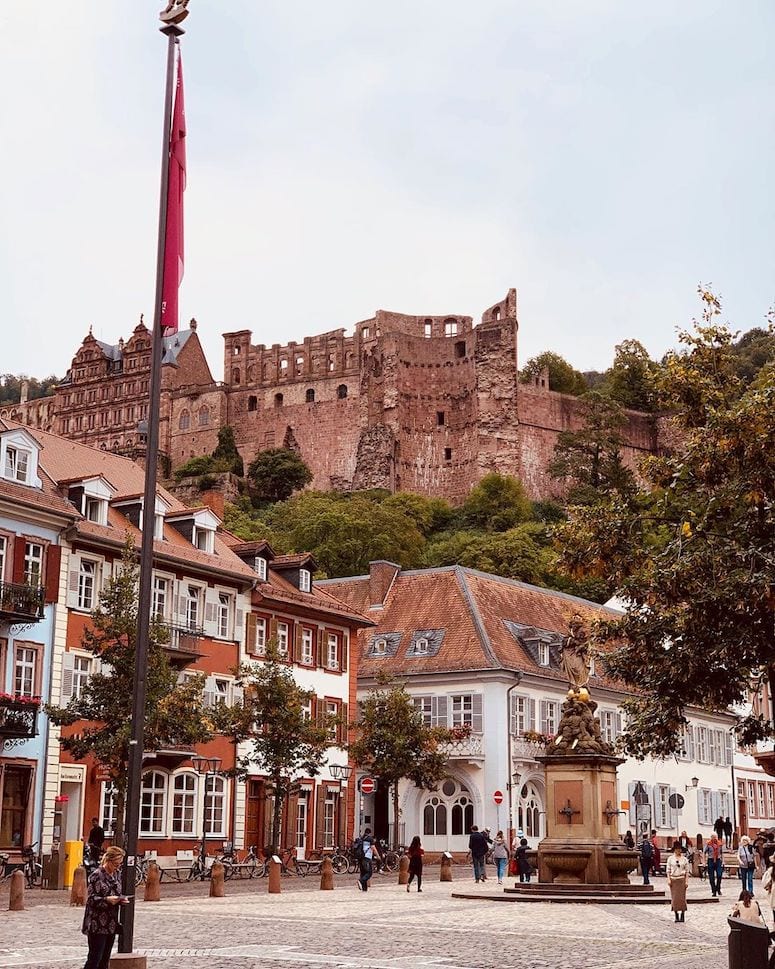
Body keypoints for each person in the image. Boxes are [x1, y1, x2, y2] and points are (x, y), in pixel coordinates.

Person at [81, 845, 128, 969]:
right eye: (116, 864)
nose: (117, 867)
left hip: (111, 923)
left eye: (119, 865)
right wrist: (106, 900)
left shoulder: (117, 874)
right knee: (94, 959)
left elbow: (117, 891)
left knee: (105, 960)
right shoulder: (97, 875)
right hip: (97, 924)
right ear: (108, 860)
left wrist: (120, 900)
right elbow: (91, 899)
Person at [666, 841, 689, 922]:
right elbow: (668, 871)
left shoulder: (684, 859)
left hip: (681, 879)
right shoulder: (670, 859)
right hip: (674, 879)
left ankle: (683, 914)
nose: (678, 851)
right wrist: (669, 879)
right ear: (674, 850)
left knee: (682, 898)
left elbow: (687, 871)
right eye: (676, 849)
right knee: (674, 898)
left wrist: (686, 881)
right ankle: (676, 914)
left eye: (679, 849)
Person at [356, 828, 380, 892]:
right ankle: (360, 881)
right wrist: (378, 856)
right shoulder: (370, 839)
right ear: (369, 833)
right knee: (369, 872)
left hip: (360, 857)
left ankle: (364, 889)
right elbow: (373, 848)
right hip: (367, 857)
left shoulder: (361, 838)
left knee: (363, 872)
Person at [705, 833, 724, 897]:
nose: (714, 838)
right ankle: (713, 891)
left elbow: (722, 853)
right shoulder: (708, 844)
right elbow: (704, 852)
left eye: (715, 837)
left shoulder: (719, 844)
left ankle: (718, 888)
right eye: (713, 837)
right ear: (711, 837)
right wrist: (704, 862)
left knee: (719, 875)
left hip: (718, 860)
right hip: (711, 860)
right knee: (711, 877)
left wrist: (723, 861)